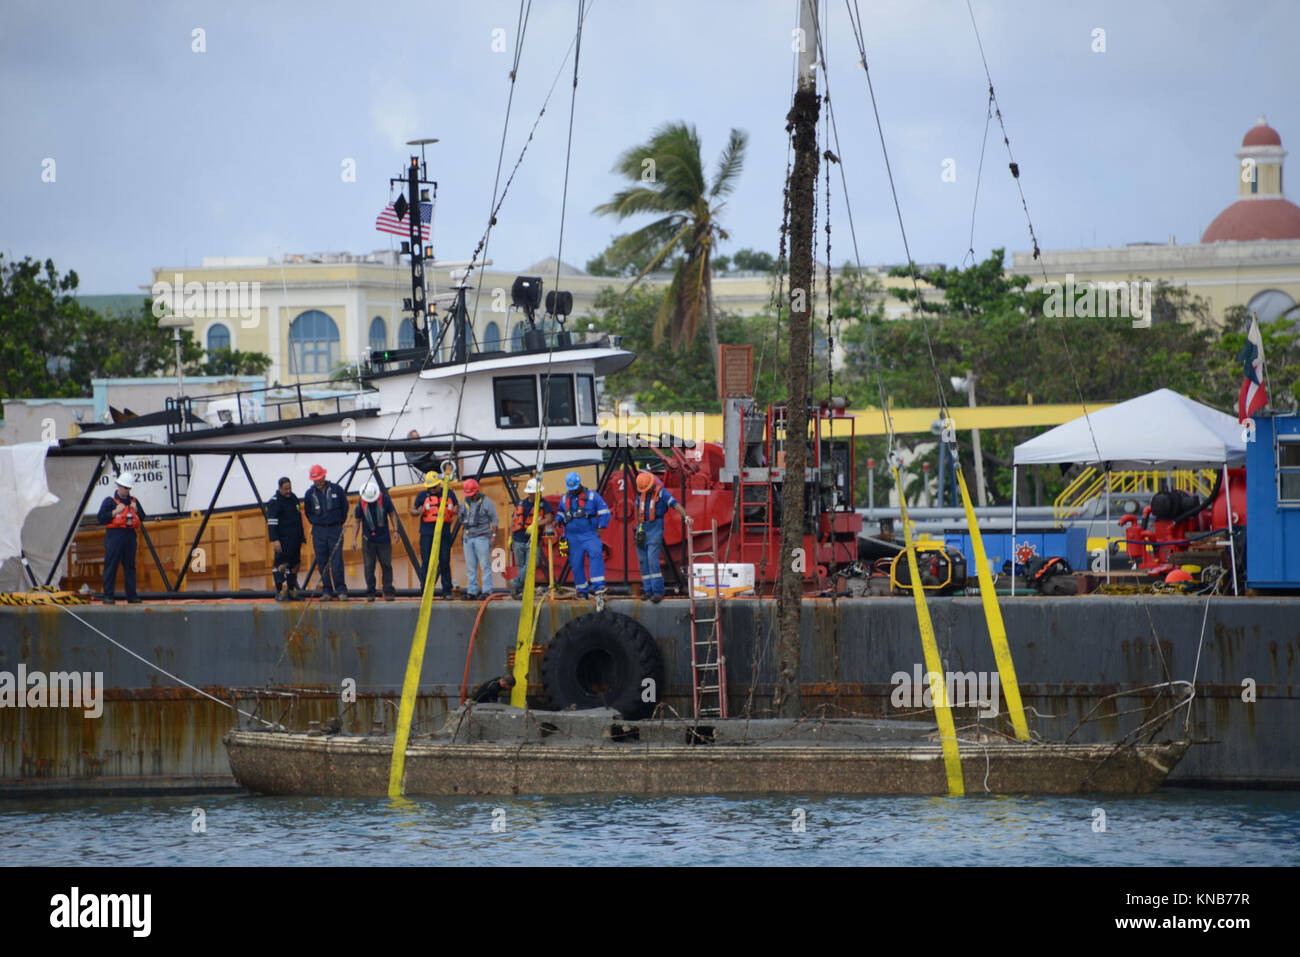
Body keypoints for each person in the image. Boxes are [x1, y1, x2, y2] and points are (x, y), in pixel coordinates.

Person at [633, 470, 692, 603]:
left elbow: (676, 505)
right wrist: (638, 528)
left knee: (652, 560)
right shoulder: (640, 494)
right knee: (643, 561)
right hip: (642, 529)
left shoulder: (662, 493)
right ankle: (648, 590)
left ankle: (658, 592)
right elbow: (638, 510)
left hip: (655, 528)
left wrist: (686, 517)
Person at [556, 471, 610, 605]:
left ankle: (599, 588)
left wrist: (601, 526)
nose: (573, 492)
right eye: (571, 489)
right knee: (576, 563)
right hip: (572, 536)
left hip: (589, 534)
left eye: (575, 489)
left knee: (596, 556)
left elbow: (605, 512)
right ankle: (581, 591)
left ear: (580, 484)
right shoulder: (564, 499)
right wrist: (558, 520)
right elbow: (561, 513)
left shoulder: (592, 496)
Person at [97, 472, 145, 604]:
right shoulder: (109, 502)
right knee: (111, 565)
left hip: (129, 536)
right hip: (114, 536)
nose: (126, 490)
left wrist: (136, 511)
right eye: (123, 487)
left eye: (128, 488)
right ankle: (108, 595)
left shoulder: (134, 502)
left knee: (130, 566)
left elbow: (142, 517)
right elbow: (101, 518)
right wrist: (115, 511)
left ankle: (132, 595)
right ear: (118, 486)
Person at [303, 464, 349, 600]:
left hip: (335, 529)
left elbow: (344, 507)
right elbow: (308, 512)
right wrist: (317, 522)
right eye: (315, 479)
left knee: (337, 561)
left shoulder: (337, 489)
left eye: (320, 478)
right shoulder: (309, 494)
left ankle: (341, 590)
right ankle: (327, 591)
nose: (318, 481)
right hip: (319, 531)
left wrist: (338, 521)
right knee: (322, 561)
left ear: (324, 476)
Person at [410, 470, 458, 598]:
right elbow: (412, 511)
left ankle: (447, 591)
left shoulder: (449, 492)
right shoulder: (422, 496)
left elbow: (457, 508)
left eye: (434, 487)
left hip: (444, 534)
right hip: (427, 534)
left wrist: (452, 510)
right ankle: (425, 591)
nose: (432, 489)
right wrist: (418, 511)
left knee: (444, 561)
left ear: (439, 485)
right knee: (426, 563)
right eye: (429, 487)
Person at [509, 478, 554, 598]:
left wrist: (535, 525)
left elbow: (549, 518)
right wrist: (510, 538)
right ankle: (521, 591)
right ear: (530, 493)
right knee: (521, 566)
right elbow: (513, 522)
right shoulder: (520, 504)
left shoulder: (544, 504)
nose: (538, 494)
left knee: (531, 565)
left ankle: (515, 583)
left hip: (533, 540)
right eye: (535, 492)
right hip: (518, 540)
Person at [352, 480, 397, 602]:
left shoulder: (385, 499)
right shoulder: (360, 504)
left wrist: (395, 531)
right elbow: (357, 521)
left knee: (386, 565)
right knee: (369, 566)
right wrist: (354, 539)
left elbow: (392, 514)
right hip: (368, 540)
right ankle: (370, 591)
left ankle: (388, 590)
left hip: (384, 539)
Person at [265, 476, 306, 601]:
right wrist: (275, 540)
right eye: (285, 489)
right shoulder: (274, 502)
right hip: (283, 540)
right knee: (281, 565)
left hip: (295, 539)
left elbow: (298, 518)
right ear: (279, 488)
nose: (288, 491)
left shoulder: (293, 498)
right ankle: (279, 591)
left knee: (294, 565)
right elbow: (271, 523)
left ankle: (291, 590)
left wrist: (301, 536)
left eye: (289, 488)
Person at [457, 478, 498, 598]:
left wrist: (494, 536)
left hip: (482, 537)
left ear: (477, 491)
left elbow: (494, 519)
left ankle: (487, 591)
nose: (470, 496)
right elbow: (461, 519)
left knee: (485, 565)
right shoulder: (464, 503)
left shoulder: (487, 502)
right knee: (470, 566)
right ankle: (472, 591)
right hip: (468, 538)